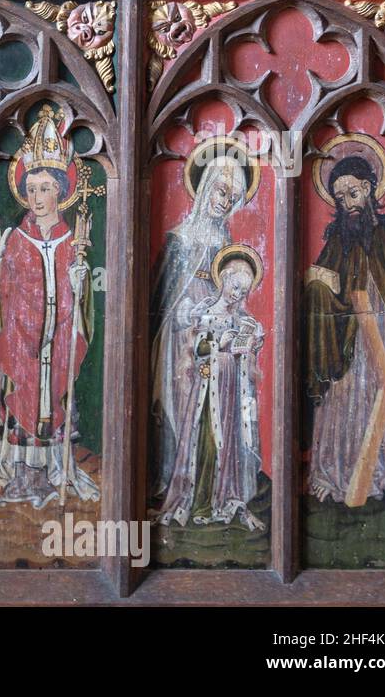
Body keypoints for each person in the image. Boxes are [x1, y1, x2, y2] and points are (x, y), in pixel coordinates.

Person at [0, 105, 97, 509]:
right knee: (24, 395)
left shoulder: (72, 241)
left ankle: (53, 470)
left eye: (45, 188)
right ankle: (20, 473)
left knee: (55, 396)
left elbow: (81, 302)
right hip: (23, 339)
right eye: (31, 190)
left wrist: (78, 287)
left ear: (61, 192)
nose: (37, 197)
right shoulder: (16, 237)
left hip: (60, 337)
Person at [305, 141, 385, 507]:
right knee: (342, 400)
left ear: (369, 189)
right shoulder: (338, 236)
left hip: (382, 328)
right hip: (344, 336)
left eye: (352, 193)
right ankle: (333, 473)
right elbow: (323, 276)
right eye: (340, 198)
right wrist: (319, 280)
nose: (347, 203)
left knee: (380, 394)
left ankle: (382, 474)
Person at [150, 150, 250, 498]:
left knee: (217, 409)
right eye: (221, 192)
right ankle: (178, 480)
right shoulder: (180, 240)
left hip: (217, 338)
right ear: (205, 187)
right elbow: (161, 304)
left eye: (232, 198)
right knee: (184, 402)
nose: (225, 202)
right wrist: (185, 315)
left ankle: (210, 485)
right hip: (182, 344)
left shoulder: (226, 244)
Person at [156, 247, 265, 530]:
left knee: (226, 446)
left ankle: (221, 499)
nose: (237, 295)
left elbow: (248, 361)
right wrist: (220, 344)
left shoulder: (241, 320)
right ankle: (199, 503)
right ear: (224, 279)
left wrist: (249, 345)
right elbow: (197, 349)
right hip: (207, 392)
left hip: (230, 390)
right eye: (235, 287)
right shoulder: (204, 312)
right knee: (205, 444)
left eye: (243, 292)